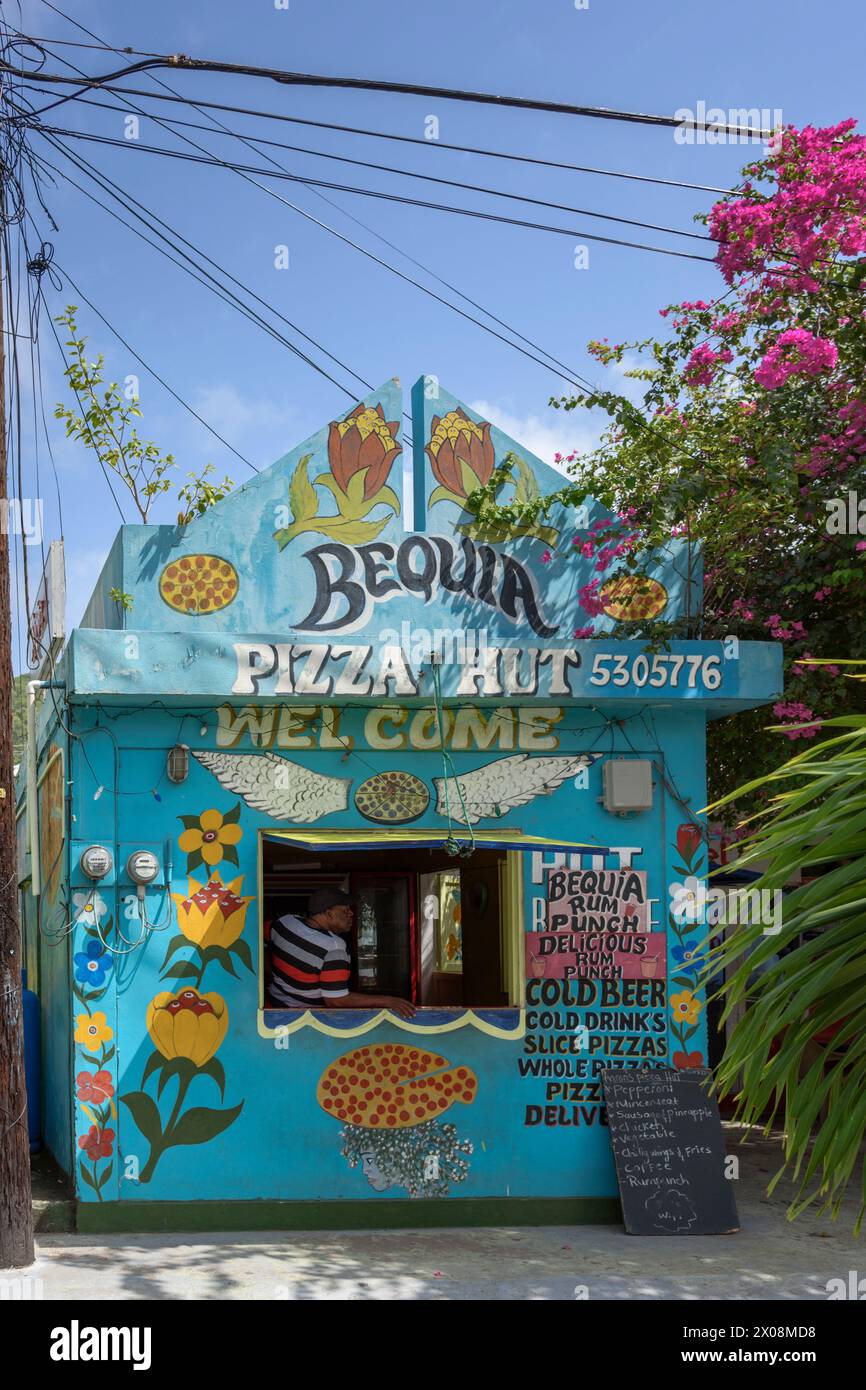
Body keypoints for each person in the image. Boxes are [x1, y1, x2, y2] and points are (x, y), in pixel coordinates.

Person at [268, 886, 416, 1017]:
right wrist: (388, 1001)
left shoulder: (286, 922)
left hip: (272, 1009)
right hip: (305, 1020)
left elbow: (253, 935)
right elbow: (335, 1000)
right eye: (345, 910)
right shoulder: (334, 946)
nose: (351, 914)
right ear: (329, 913)